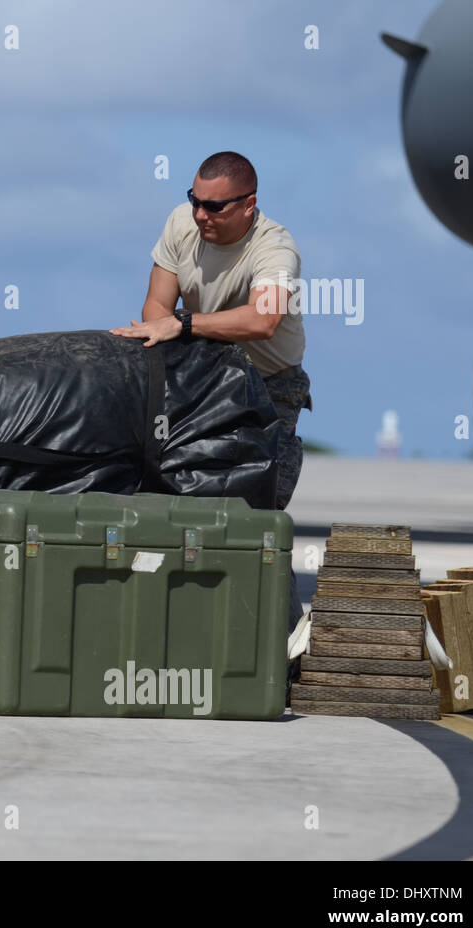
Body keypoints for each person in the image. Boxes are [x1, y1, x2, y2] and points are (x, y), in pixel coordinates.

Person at [112, 150, 309, 633]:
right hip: (203, 374)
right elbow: (157, 302)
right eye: (195, 201)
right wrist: (172, 328)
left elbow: (263, 321)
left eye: (215, 207)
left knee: (255, 511)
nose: (202, 215)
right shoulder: (182, 224)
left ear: (248, 204)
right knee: (169, 493)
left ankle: (277, 644)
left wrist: (182, 324)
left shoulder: (275, 249)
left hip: (269, 386)